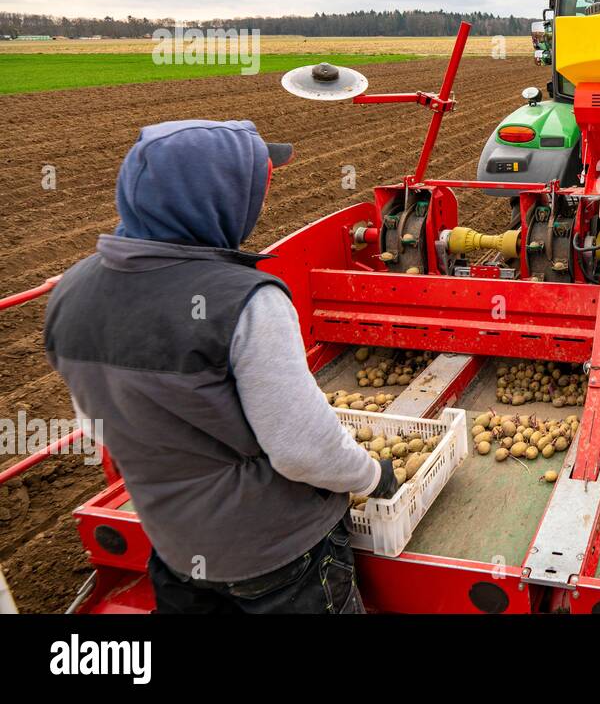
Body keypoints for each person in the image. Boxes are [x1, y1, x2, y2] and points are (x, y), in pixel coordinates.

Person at [44, 120, 396, 613]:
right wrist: (369, 477)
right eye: (254, 186)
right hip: (277, 555)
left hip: (175, 546)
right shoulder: (244, 301)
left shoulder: (72, 292)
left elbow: (98, 424)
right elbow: (300, 449)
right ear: (220, 198)